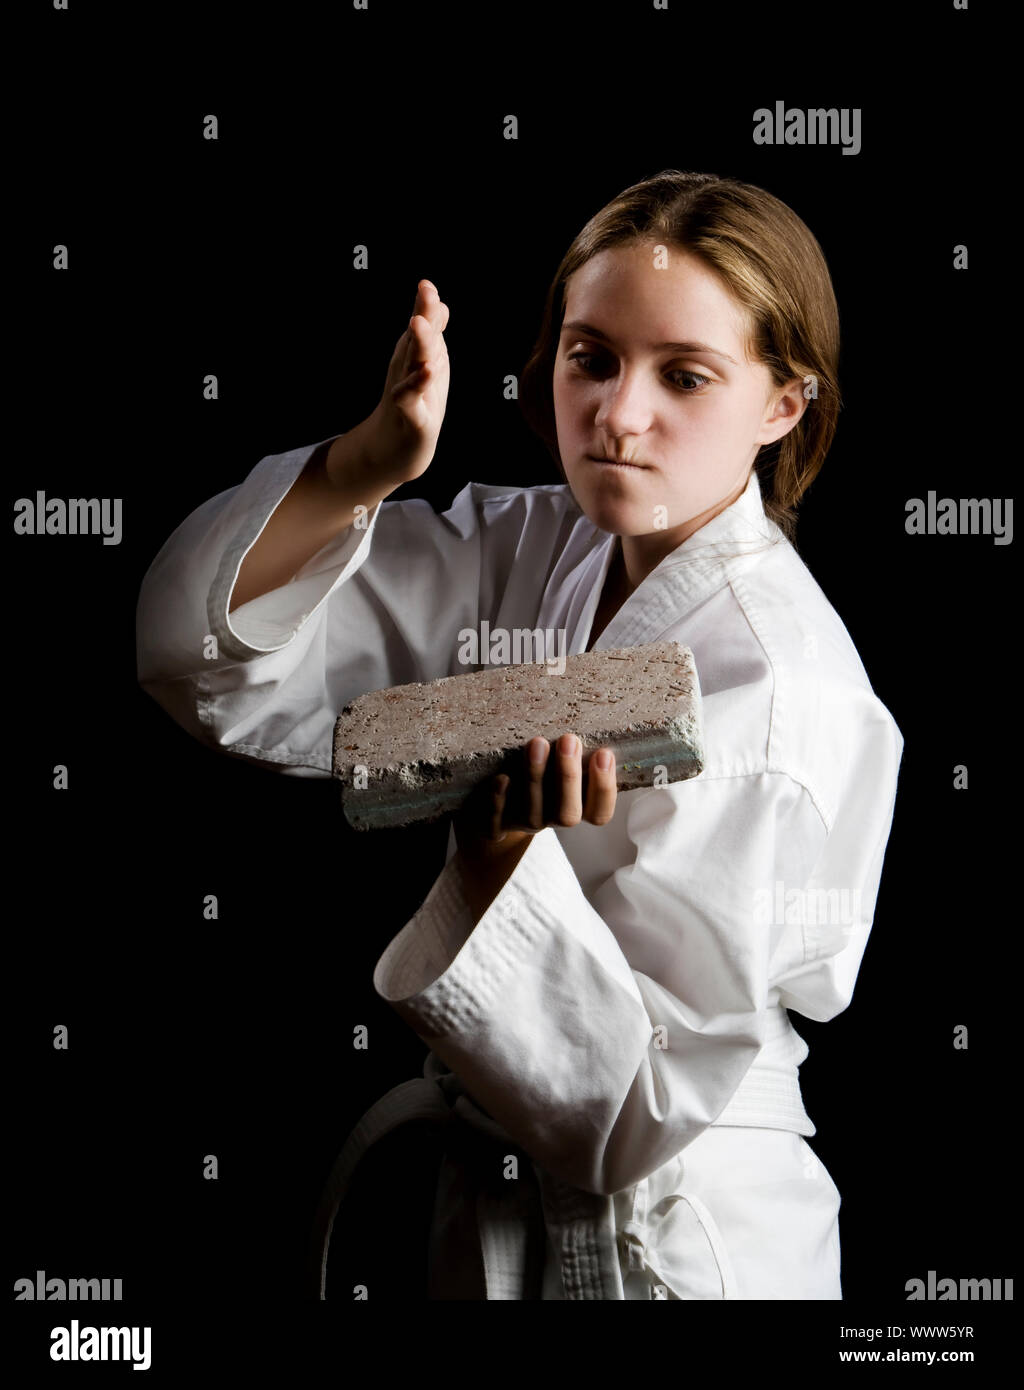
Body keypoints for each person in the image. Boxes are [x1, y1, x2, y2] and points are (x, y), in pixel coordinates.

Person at [136, 169, 904, 1300]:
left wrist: (500, 861)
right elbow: (202, 666)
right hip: (490, 1211)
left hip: (681, 1241)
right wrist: (360, 469)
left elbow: (634, 1115)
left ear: (784, 404)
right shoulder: (525, 547)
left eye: (684, 376)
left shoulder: (779, 685)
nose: (616, 413)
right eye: (589, 357)